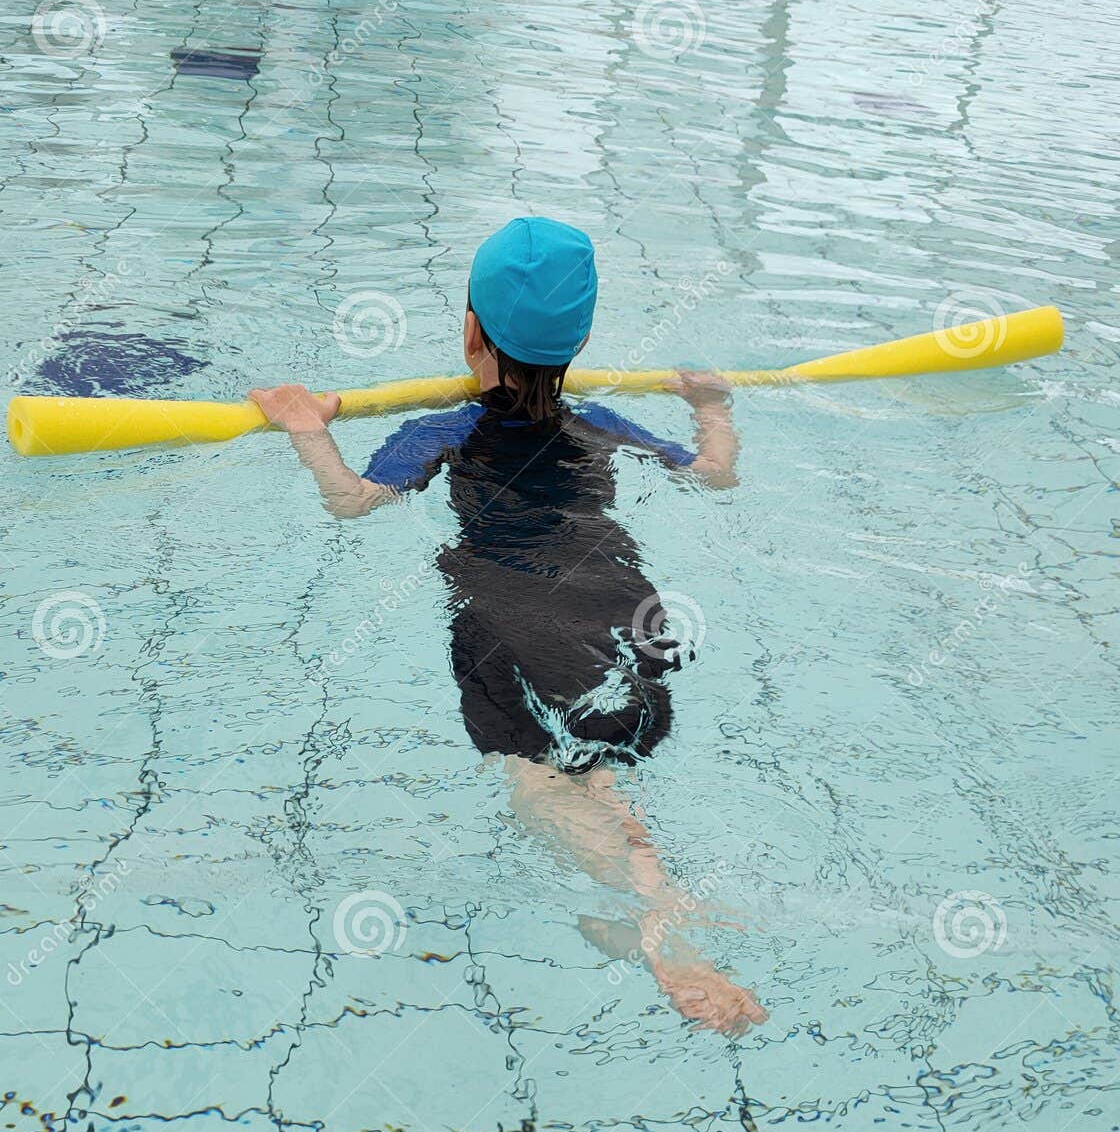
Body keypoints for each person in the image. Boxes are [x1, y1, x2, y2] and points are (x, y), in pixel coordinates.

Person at [250, 216, 766, 1035]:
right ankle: (650, 883)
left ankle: (658, 914)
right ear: (582, 337)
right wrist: (711, 408)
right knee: (598, 764)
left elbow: (352, 502)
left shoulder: (442, 429)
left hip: (511, 621)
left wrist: (307, 430)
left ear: (467, 332)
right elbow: (716, 475)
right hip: (629, 610)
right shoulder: (601, 420)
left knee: (533, 778)